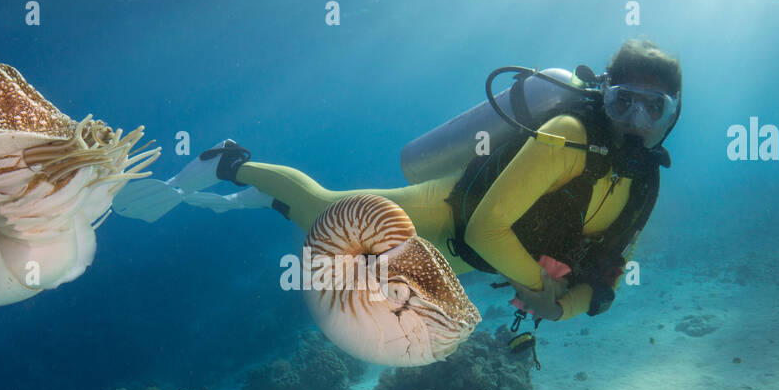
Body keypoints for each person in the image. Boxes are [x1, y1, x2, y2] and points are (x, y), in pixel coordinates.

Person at [120, 38, 681, 327]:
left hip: (475, 260)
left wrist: (561, 308)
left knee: (360, 266)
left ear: (671, 115)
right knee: (327, 213)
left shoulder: (646, 182)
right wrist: (542, 285)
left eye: (651, 109)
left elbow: (609, 268)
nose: (634, 121)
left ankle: (269, 200)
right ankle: (230, 161)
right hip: (450, 212)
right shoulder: (567, 134)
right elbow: (487, 228)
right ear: (603, 95)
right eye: (622, 101)